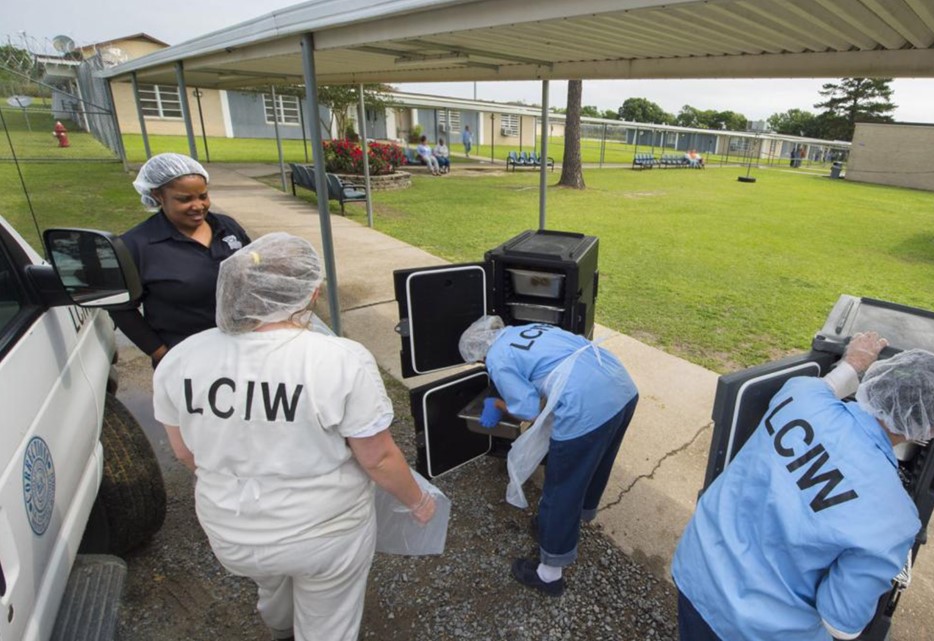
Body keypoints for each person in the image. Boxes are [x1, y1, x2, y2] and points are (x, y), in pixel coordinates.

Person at [153, 233, 436, 641]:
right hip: (324, 533)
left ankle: (280, 627)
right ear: (311, 292)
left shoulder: (181, 357)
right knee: (328, 618)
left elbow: (185, 453)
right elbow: (377, 458)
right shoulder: (340, 359)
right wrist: (418, 501)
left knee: (270, 581)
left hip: (230, 533)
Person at [671, 333, 934, 641]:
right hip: (756, 629)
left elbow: (827, 386)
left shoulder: (801, 395)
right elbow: (840, 621)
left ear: (879, 380)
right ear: (933, 430)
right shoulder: (895, 519)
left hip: (696, 568)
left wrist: (853, 362)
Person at [458, 316, 639, 597]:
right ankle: (571, 520)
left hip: (586, 404)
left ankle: (549, 575)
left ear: (479, 355)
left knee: (561, 486)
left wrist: (495, 403)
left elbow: (527, 409)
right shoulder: (526, 329)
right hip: (621, 386)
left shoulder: (496, 357)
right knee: (595, 464)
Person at [110, 153, 250, 367]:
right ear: (158, 195)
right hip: (188, 360)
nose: (198, 206)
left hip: (244, 351)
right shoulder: (137, 245)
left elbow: (257, 273)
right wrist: (162, 354)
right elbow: (122, 309)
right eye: (185, 199)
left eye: (203, 196)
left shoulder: (227, 227)